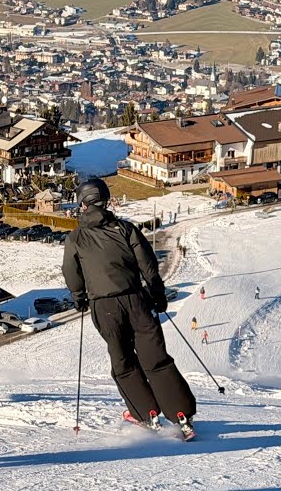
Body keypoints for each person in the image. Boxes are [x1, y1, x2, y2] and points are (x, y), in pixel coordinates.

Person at [63, 178, 196, 438]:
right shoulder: (125, 229)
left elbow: (71, 270)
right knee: (155, 358)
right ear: (106, 199)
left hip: (104, 307)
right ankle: (181, 415)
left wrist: (79, 296)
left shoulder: (76, 238)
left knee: (123, 361)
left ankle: (145, 414)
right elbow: (147, 263)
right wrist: (157, 293)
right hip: (136, 300)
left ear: (82, 204)